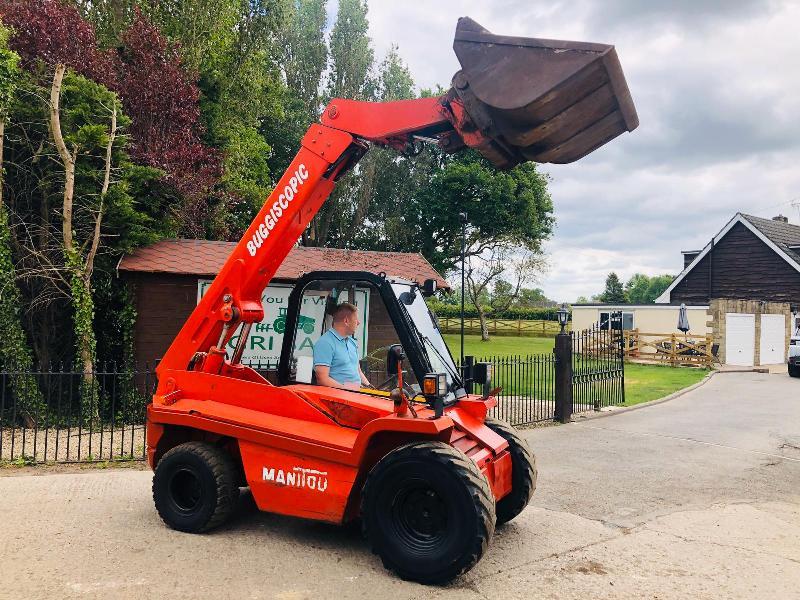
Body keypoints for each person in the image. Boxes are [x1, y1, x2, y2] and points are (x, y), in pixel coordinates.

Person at [313, 302, 372, 390]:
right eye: (356, 320)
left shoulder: (352, 342)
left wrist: (369, 387)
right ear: (346, 321)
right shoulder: (325, 343)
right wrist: (351, 388)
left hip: (355, 393)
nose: (358, 323)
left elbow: (358, 371)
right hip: (339, 398)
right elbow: (322, 379)